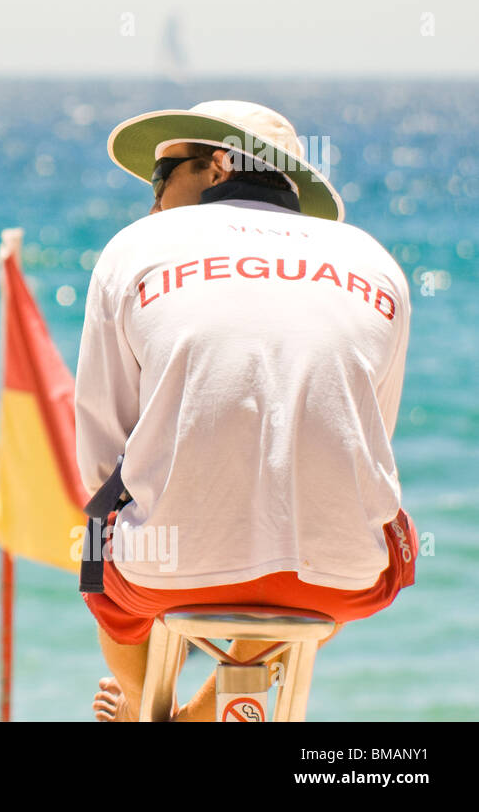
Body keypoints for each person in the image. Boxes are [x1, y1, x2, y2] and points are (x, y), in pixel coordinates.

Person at [76, 100, 417, 721]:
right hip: (341, 582)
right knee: (340, 522)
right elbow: (369, 448)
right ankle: (211, 711)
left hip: (162, 576)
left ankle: (142, 707)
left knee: (101, 533)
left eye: (160, 177)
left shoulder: (136, 248)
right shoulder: (375, 261)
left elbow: (100, 458)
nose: (152, 201)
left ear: (215, 166)